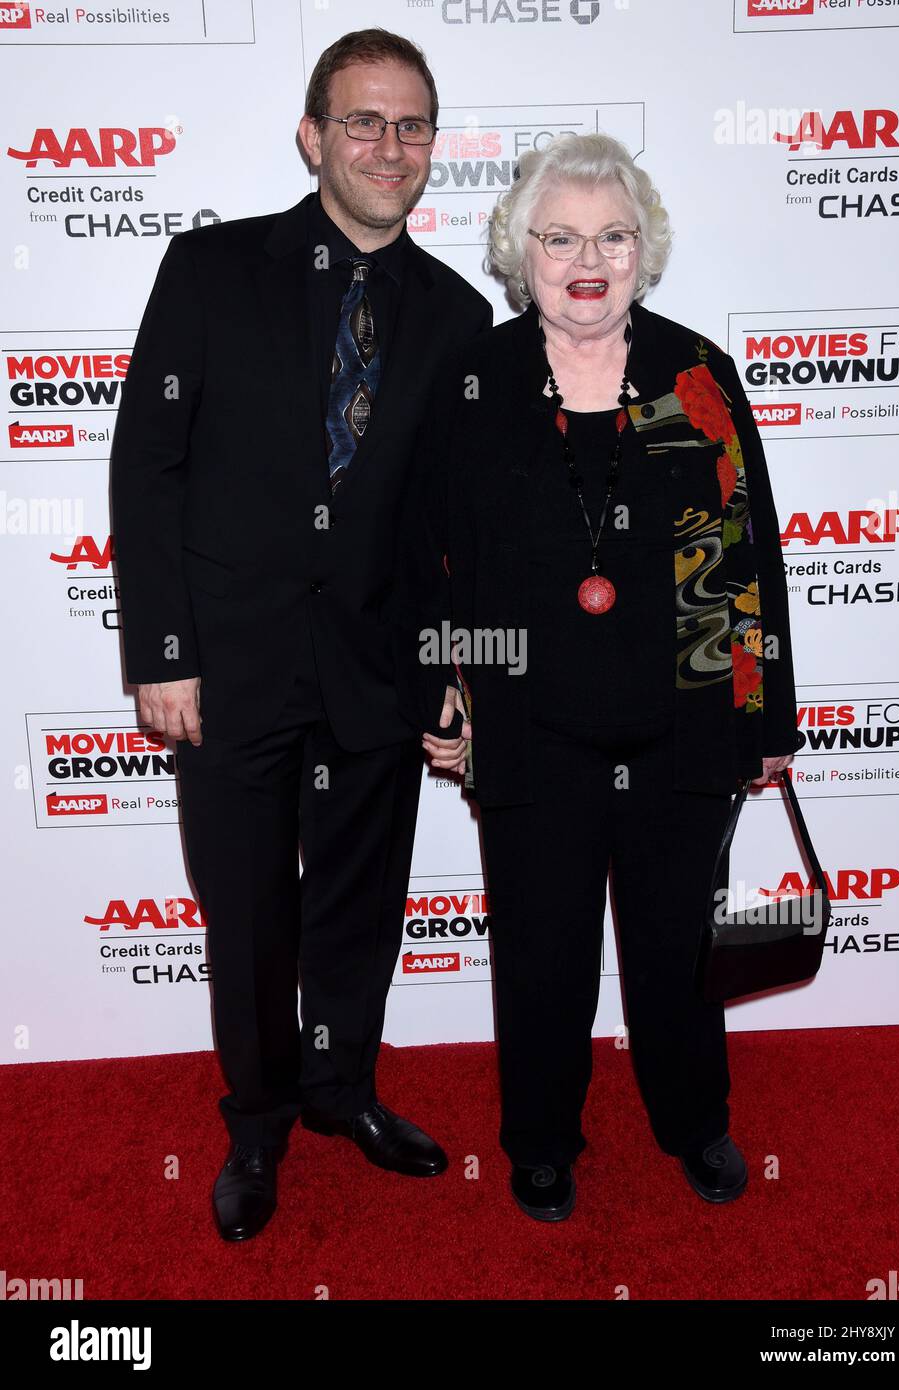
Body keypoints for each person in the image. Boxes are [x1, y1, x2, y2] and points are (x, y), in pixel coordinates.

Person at [110, 28, 490, 1242]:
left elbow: (455, 527)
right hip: (228, 668)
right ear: (314, 136)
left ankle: (343, 1089)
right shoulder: (213, 268)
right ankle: (260, 1121)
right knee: (251, 909)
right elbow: (148, 468)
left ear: (434, 146)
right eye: (365, 122)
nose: (391, 146)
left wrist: (455, 676)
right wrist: (161, 651)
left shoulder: (457, 313)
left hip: (379, 671)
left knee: (361, 905)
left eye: (412, 124)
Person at [407, 132, 805, 1222]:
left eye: (613, 236)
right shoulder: (480, 382)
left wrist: (765, 708)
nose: (590, 259)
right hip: (530, 722)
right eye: (562, 237)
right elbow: (438, 559)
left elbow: (747, 551)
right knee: (541, 954)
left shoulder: (693, 374)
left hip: (680, 719)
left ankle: (695, 1121)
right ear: (519, 248)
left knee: (680, 948)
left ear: (645, 249)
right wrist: (450, 689)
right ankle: (540, 1138)